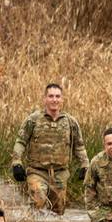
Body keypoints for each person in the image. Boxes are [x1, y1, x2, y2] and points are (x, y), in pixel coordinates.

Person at [11, 84, 88, 215]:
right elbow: (21, 141)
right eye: (51, 96)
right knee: (38, 202)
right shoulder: (33, 120)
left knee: (58, 212)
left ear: (62, 99)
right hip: (37, 171)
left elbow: (79, 146)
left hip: (60, 173)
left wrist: (85, 165)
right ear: (44, 99)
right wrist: (16, 163)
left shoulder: (70, 122)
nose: (54, 100)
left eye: (57, 96)